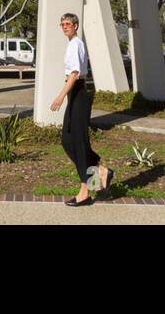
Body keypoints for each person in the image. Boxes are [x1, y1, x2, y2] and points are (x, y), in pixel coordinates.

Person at [50, 13, 111, 206]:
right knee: (68, 141)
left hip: (78, 93)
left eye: (67, 24)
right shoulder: (73, 44)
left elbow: (75, 73)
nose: (64, 26)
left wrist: (60, 96)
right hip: (75, 95)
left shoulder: (75, 44)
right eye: (62, 24)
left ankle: (85, 193)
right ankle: (100, 172)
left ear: (75, 25)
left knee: (77, 142)